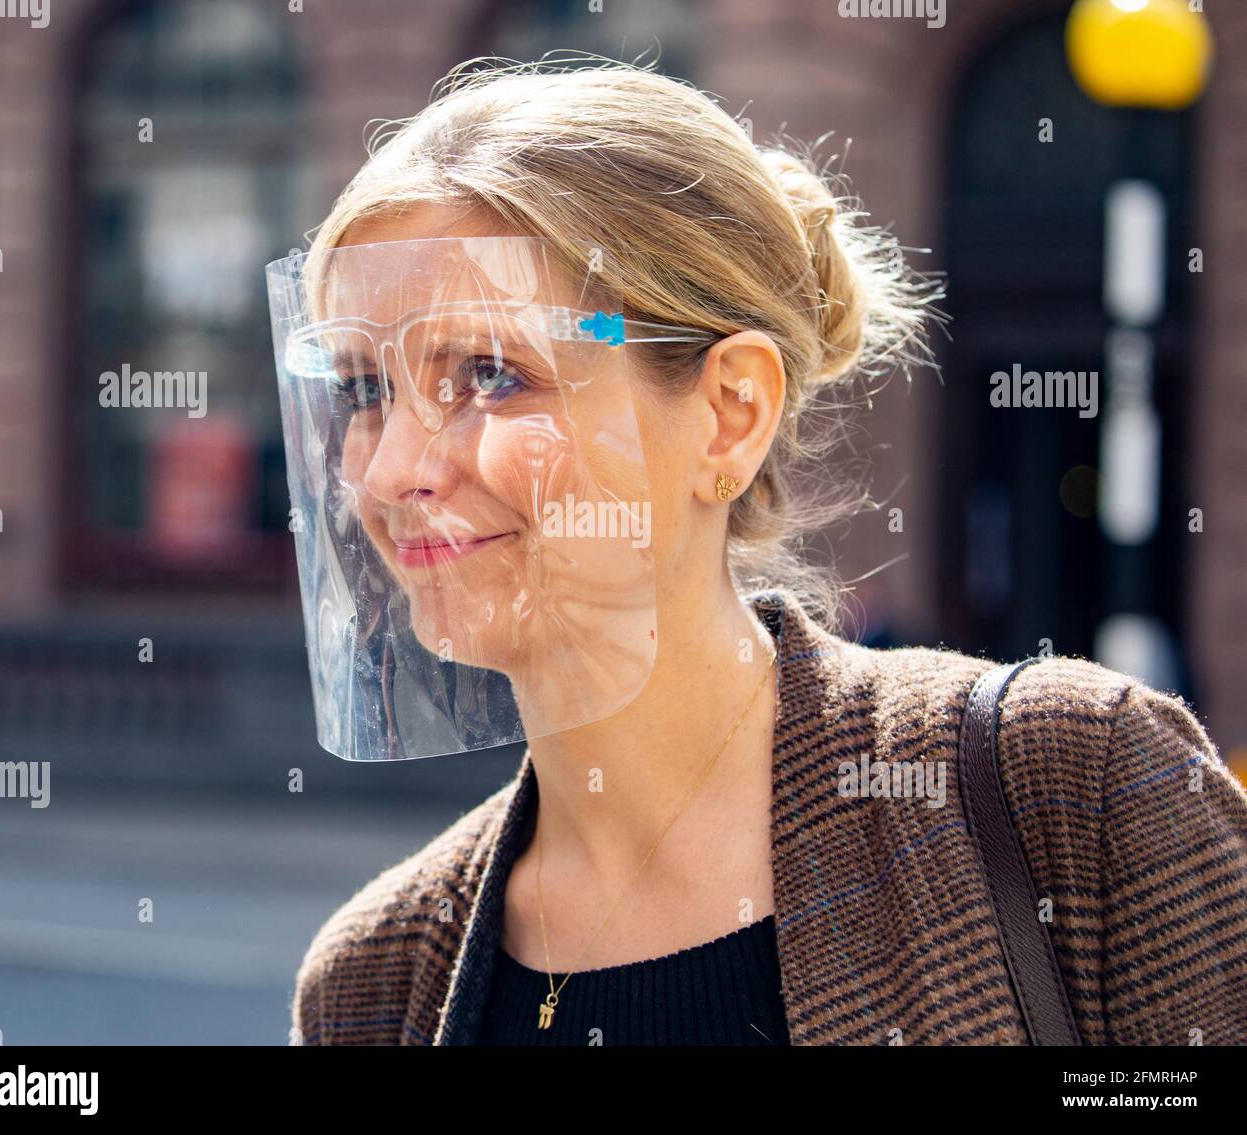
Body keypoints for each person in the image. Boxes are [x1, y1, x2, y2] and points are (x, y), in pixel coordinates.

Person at [278, 57, 1247, 1046]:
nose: (391, 469)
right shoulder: (375, 980)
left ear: (729, 414)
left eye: (490, 373)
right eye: (363, 390)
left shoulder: (1074, 792)